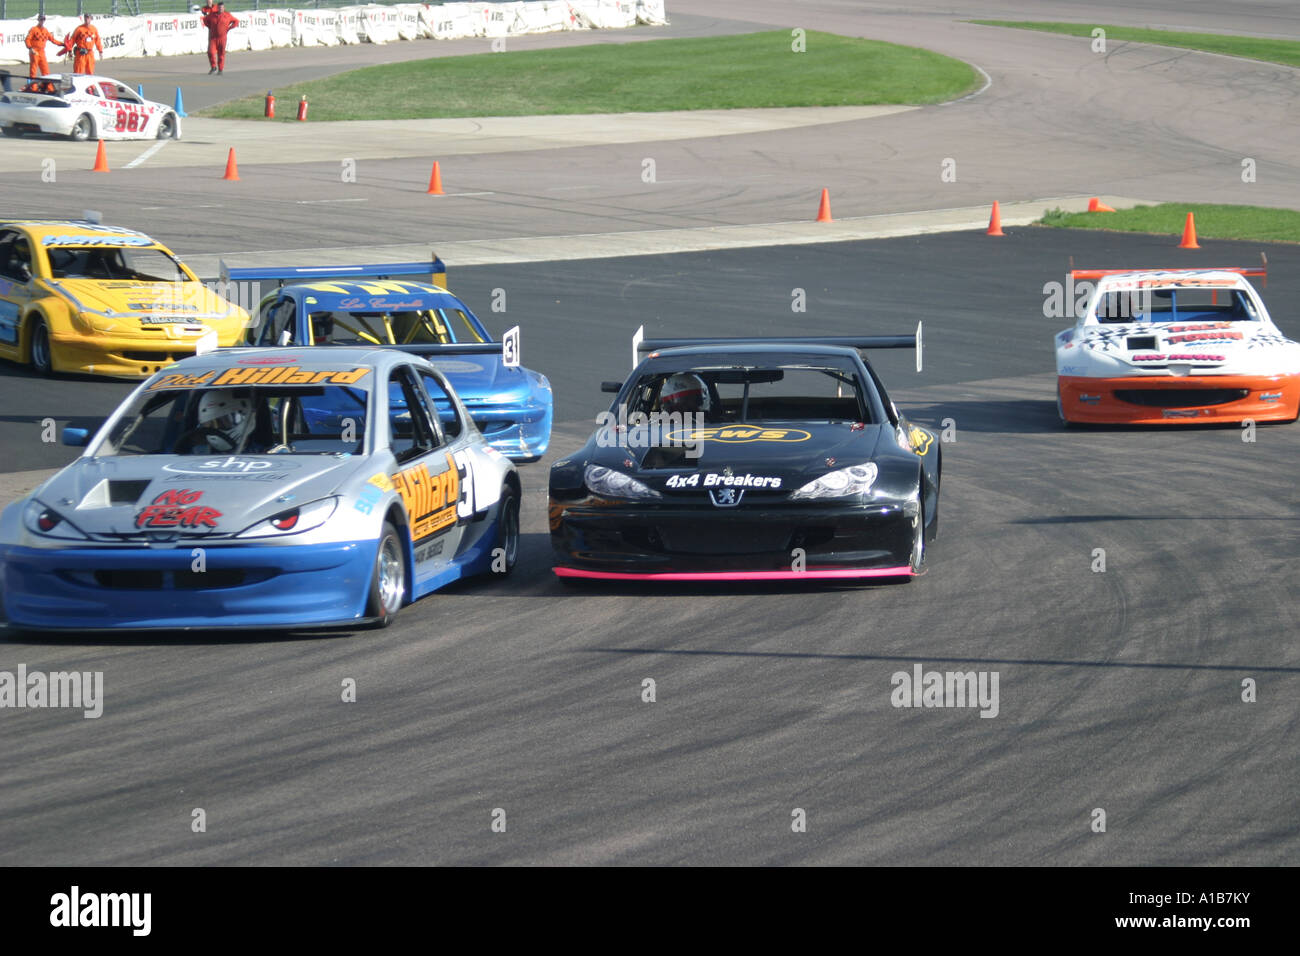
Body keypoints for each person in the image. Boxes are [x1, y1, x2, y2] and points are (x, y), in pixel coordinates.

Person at [203, 2, 240, 75]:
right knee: (211, 52)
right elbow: (205, 20)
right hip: (213, 38)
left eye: (222, 8)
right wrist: (209, 26)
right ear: (217, 8)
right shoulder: (212, 15)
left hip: (222, 38)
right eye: (219, 8)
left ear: (224, 8)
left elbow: (236, 21)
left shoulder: (227, 15)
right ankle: (213, 67)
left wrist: (229, 28)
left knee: (221, 54)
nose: (220, 9)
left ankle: (220, 69)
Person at [25, 14, 58, 80]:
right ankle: (32, 85)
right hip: (34, 51)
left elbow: (53, 40)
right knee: (33, 71)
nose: (42, 21)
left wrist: (63, 44)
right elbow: (27, 40)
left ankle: (46, 84)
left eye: (43, 19)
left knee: (46, 71)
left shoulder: (45, 30)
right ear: (38, 20)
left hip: (42, 52)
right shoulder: (33, 29)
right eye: (41, 19)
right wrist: (30, 48)